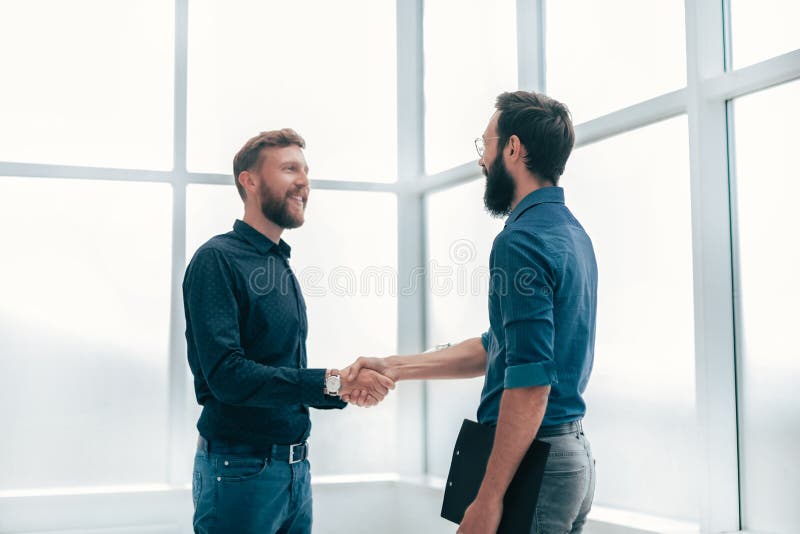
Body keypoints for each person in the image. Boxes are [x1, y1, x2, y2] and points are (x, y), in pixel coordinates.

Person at [345, 91, 598, 534]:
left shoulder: (519, 243)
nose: (482, 160)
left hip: (535, 464)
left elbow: (531, 384)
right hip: (569, 457)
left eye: (486, 145)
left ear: (513, 148)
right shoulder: (573, 235)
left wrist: (488, 498)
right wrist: (396, 366)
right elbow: (497, 347)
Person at [183, 129, 394, 534]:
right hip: (240, 472)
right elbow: (228, 375)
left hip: (295, 471)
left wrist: (340, 389)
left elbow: (281, 375)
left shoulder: (278, 264)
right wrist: (329, 382)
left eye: (306, 171)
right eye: (289, 169)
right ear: (250, 181)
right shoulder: (217, 260)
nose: (304, 182)